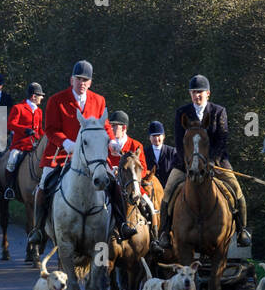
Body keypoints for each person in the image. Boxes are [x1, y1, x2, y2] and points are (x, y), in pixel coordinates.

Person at [26, 60, 119, 251]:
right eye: (79, 79)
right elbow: (49, 129)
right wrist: (66, 143)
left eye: (86, 80)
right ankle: (38, 229)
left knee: (115, 183)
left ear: (90, 82)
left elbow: (105, 125)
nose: (82, 83)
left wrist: (111, 141)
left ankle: (121, 225)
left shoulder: (99, 100)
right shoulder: (56, 100)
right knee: (43, 185)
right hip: (61, 154)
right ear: (71, 80)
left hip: (93, 156)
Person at [163, 74, 251, 247]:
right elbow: (180, 142)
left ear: (208, 93)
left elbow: (222, 139)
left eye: (200, 92)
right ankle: (164, 233)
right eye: (194, 92)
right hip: (185, 163)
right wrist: (189, 163)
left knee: (237, 190)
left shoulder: (219, 111)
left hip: (216, 162)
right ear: (190, 94)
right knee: (167, 192)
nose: (197, 95)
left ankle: (242, 230)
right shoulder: (182, 112)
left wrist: (211, 160)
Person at [107, 110, 157, 230]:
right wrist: (110, 171)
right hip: (111, 186)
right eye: (110, 125)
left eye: (114, 126)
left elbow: (143, 169)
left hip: (132, 186)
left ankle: (155, 240)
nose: (110, 128)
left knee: (150, 207)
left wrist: (132, 176)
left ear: (124, 128)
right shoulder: (106, 145)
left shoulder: (135, 145)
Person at [2, 82, 44, 200]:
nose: (42, 97)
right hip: (20, 144)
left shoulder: (39, 111)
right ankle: (9, 188)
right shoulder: (18, 108)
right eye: (40, 95)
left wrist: (46, 138)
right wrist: (25, 130)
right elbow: (11, 124)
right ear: (33, 96)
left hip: (34, 144)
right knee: (12, 161)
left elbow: (40, 130)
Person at [146, 120, 173, 188]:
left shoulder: (172, 152)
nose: (156, 138)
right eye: (153, 136)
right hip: (151, 190)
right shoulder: (144, 152)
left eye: (158, 135)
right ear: (150, 137)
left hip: (168, 190)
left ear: (163, 136)